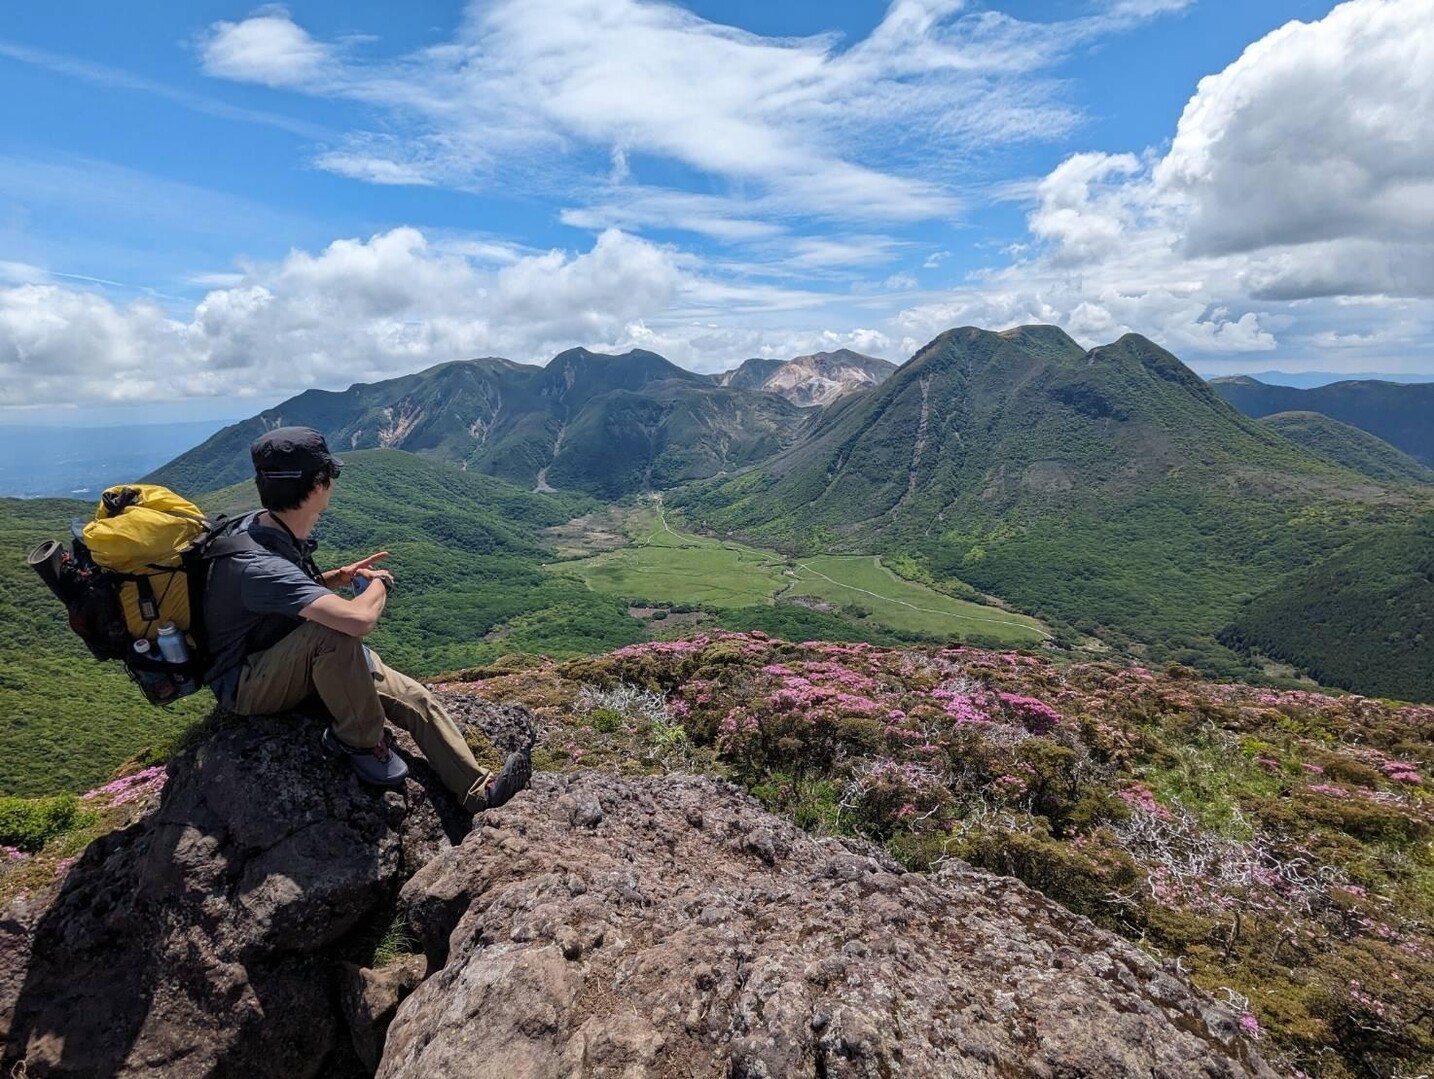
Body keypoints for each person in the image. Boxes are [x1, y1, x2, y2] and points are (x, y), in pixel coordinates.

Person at [203, 426, 530, 811]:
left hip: (286, 651)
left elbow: (277, 596)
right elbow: (357, 621)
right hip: (248, 683)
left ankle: (478, 792)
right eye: (331, 475)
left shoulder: (263, 527)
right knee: (335, 633)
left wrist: (335, 578)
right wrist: (380, 585)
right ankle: (357, 741)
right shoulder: (258, 564)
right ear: (319, 486)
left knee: (417, 700)